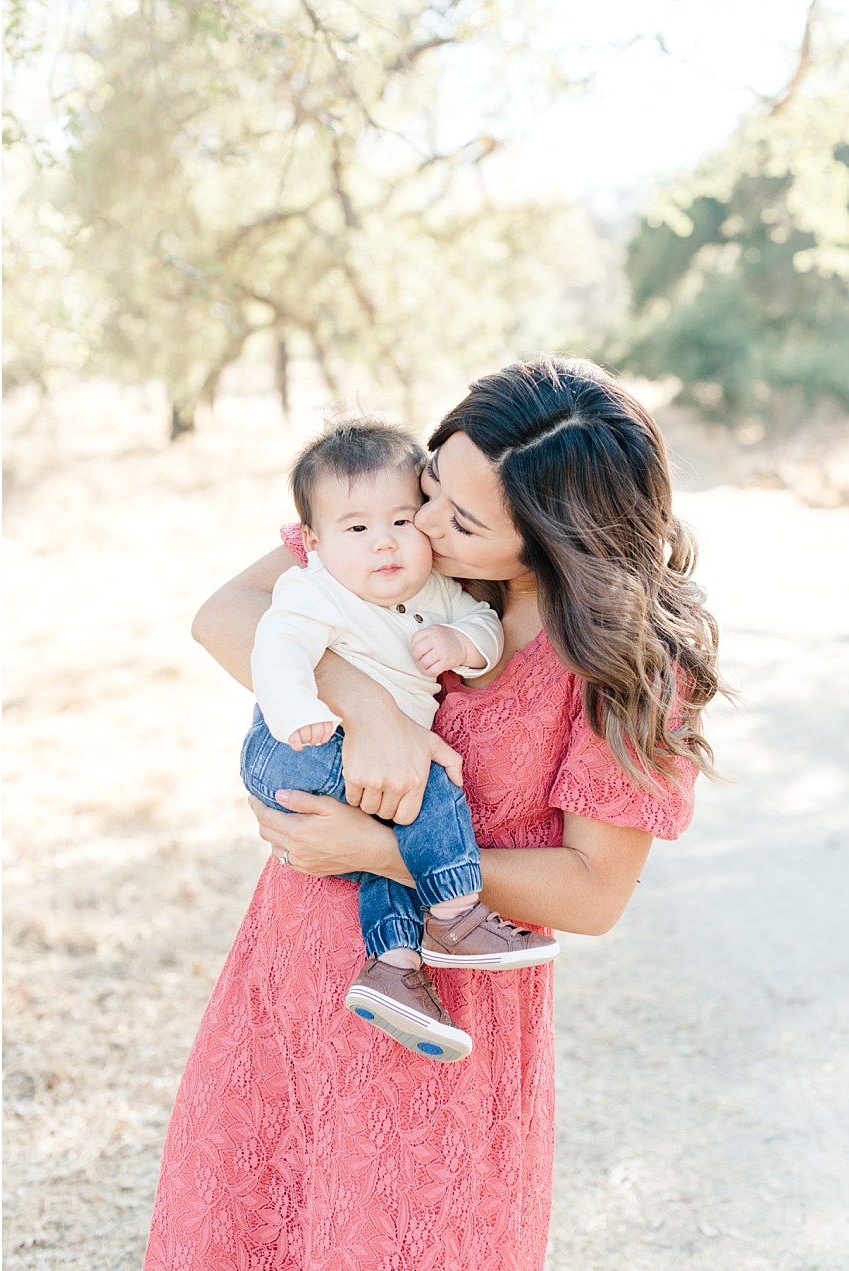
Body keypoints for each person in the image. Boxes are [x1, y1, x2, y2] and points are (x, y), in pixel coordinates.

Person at [145, 358, 720, 1269]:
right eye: (431, 485)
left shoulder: (630, 671)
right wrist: (371, 711)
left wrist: (379, 847)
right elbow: (228, 612)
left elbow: (593, 892)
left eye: (461, 519)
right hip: (293, 972)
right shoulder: (396, 541)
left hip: (445, 1021)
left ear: (550, 539)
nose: (421, 524)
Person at [246, 419, 555, 1066]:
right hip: (297, 743)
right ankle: (455, 911)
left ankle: (394, 964)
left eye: (403, 521)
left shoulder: (437, 590)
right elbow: (276, 647)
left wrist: (461, 645)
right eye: (356, 529)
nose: (383, 544)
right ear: (312, 540)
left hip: (345, 755)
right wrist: (304, 708)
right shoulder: (314, 586)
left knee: (393, 824)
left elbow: (481, 623)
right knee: (428, 785)